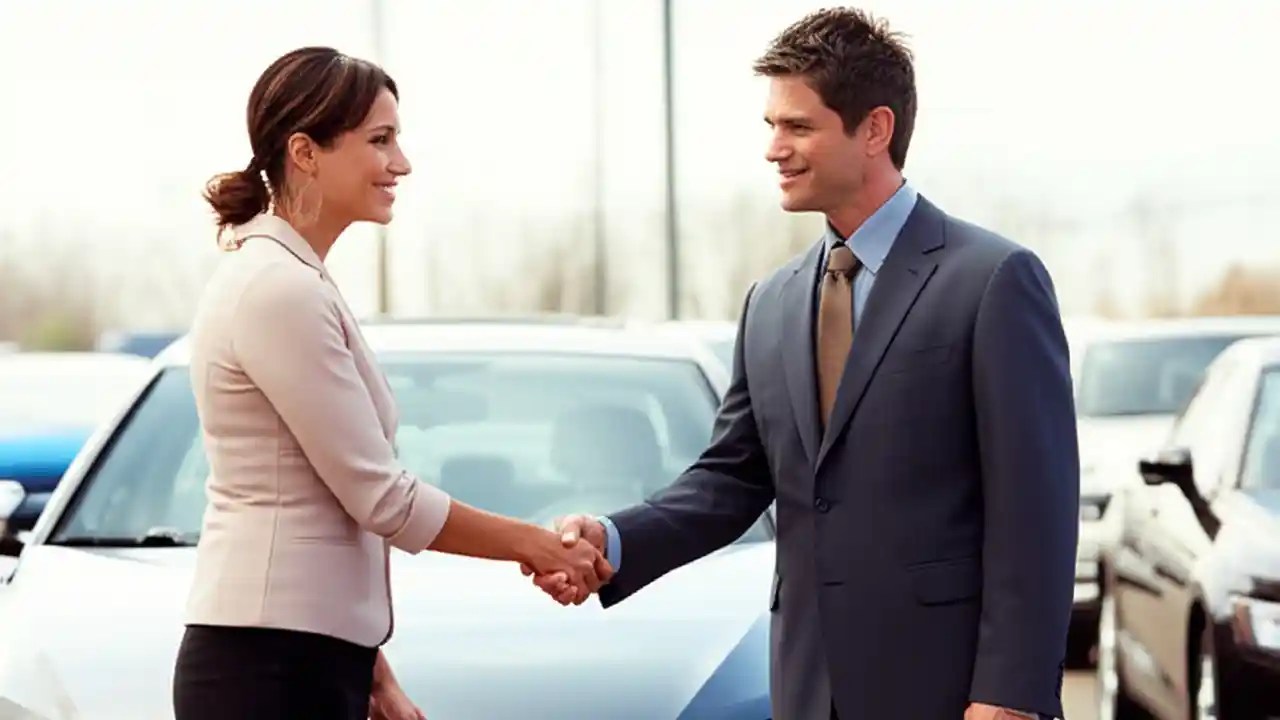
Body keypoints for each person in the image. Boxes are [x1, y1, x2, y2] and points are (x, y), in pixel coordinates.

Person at [529, 8, 1078, 719]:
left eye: (797, 126)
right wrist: (615, 539)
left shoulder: (995, 280)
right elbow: (731, 480)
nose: (773, 149)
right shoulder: (772, 301)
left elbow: (1036, 512)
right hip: (808, 687)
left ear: (875, 130)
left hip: (950, 692)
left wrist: (1008, 696)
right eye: (770, 127)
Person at [172, 47, 610, 720]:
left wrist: (374, 675)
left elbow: (324, 507)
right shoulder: (277, 288)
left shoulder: (292, 278)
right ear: (306, 152)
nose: (400, 162)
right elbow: (380, 498)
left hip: (305, 659)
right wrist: (538, 545)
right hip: (270, 671)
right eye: (380, 140)